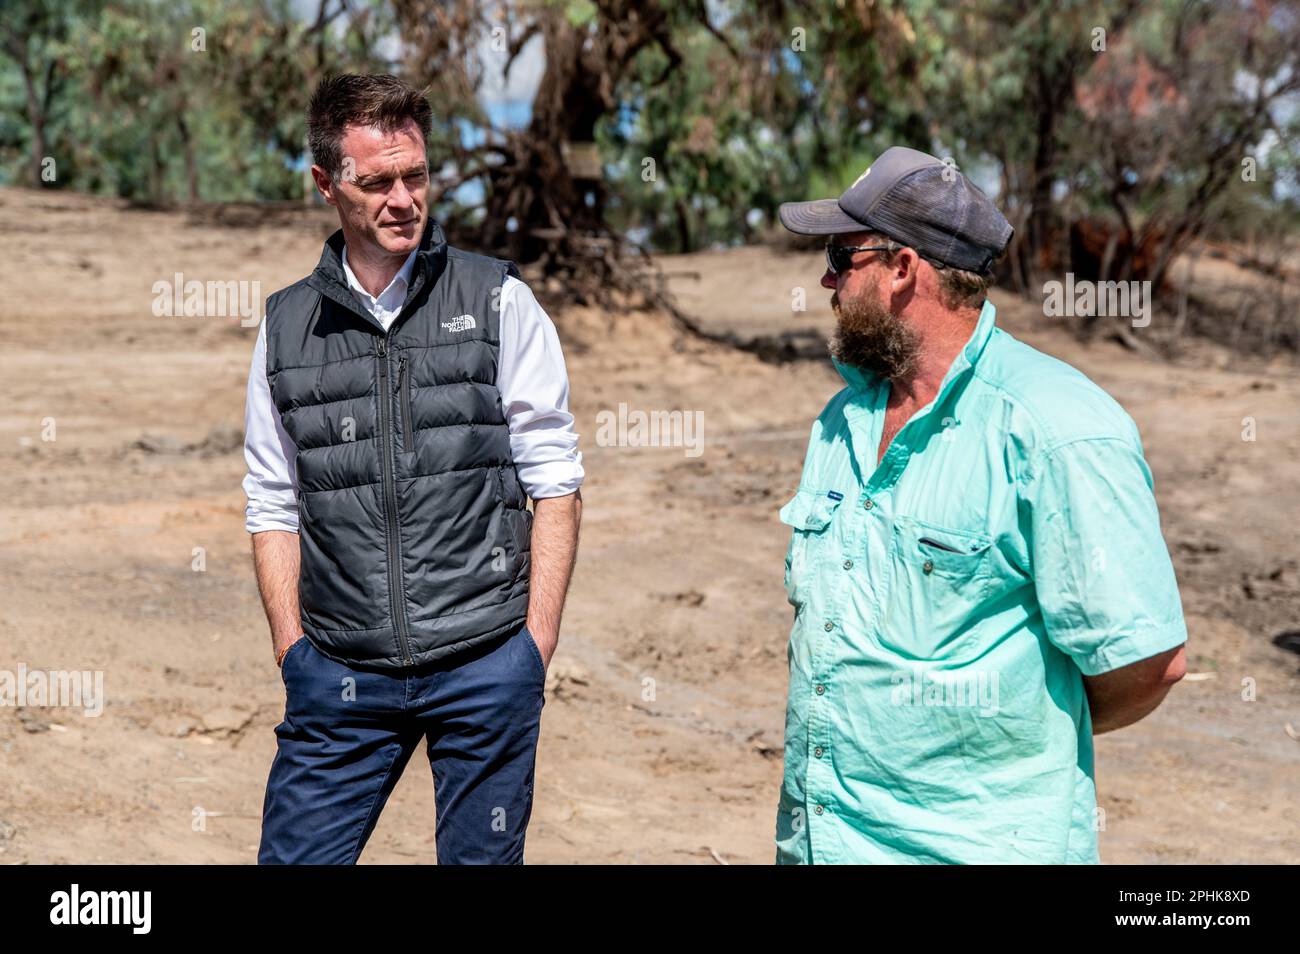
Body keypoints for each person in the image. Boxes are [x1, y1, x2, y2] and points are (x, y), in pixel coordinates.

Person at [772, 146, 1187, 864]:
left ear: (903, 269)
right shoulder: (842, 419)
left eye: (843, 256)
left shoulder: (1058, 429)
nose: (826, 278)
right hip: (823, 841)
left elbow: (1147, 661)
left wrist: (1025, 723)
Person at [242, 74, 583, 864]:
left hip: (486, 663)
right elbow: (271, 500)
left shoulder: (499, 300)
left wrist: (532, 648)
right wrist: (293, 650)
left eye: (417, 176)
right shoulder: (286, 326)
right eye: (377, 181)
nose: (403, 199)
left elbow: (555, 480)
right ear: (327, 183)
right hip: (339, 676)